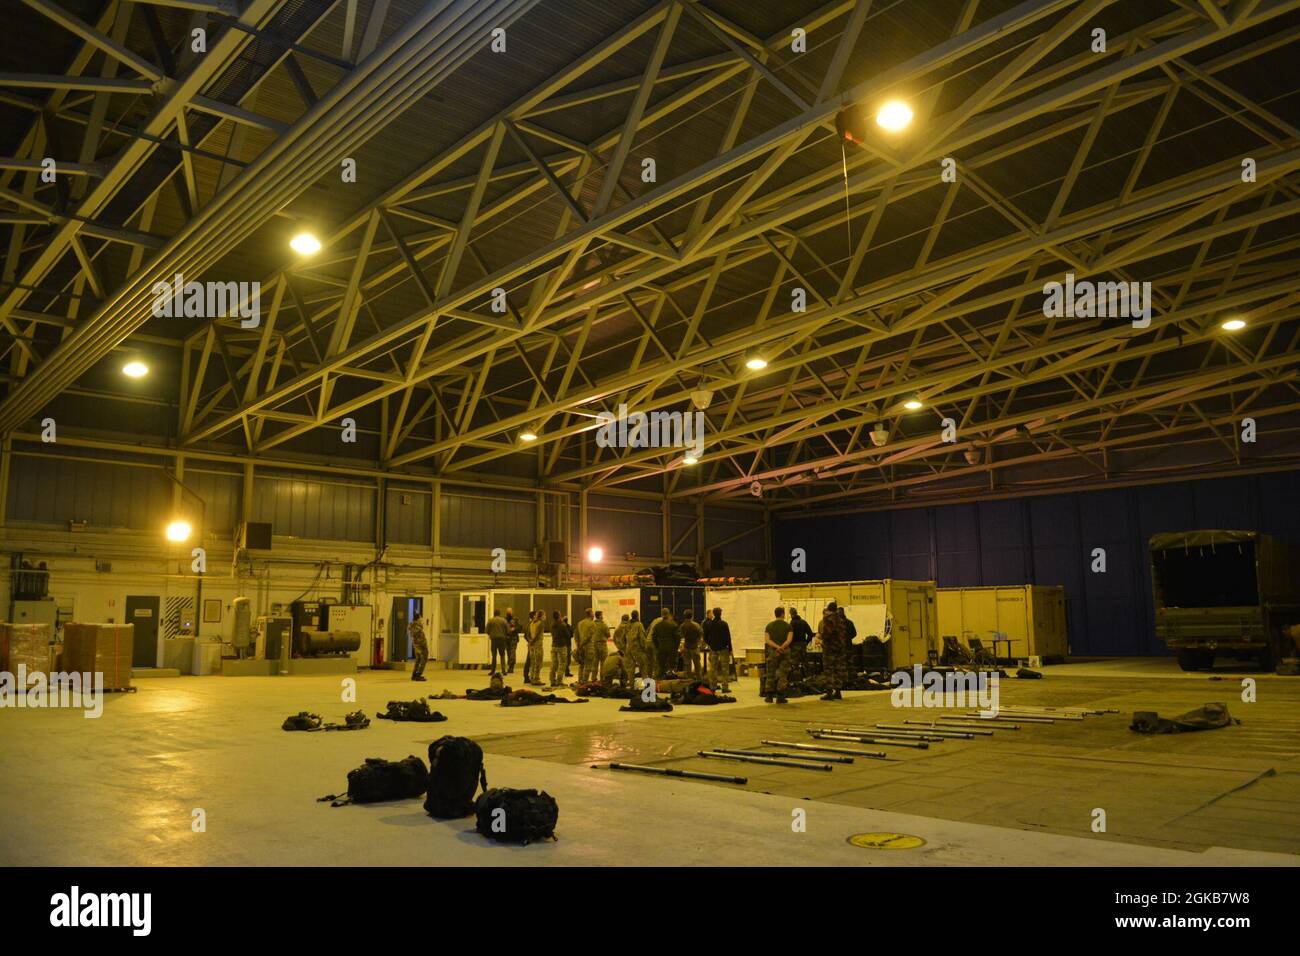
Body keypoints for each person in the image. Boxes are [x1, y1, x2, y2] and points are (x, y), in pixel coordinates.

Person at [818, 602, 848, 700]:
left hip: (829, 647)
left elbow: (827, 633)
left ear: (829, 609)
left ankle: (829, 692)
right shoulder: (841, 619)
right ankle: (838, 692)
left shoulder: (828, 619)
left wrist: (820, 637)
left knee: (829, 669)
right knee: (839, 669)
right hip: (840, 647)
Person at [763, 606, 792, 704]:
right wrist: (782, 647)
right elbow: (789, 639)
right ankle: (780, 696)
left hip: (772, 652)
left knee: (770, 673)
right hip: (784, 652)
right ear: (783, 614)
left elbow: (767, 640)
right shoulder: (788, 626)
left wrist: (776, 647)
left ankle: (769, 696)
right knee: (783, 674)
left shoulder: (769, 626)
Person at [702, 606, 732, 693]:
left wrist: (710, 644)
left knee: (713, 668)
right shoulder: (724, 624)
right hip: (723, 648)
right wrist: (730, 649)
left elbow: (705, 637)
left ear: (714, 614)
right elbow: (728, 637)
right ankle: (725, 687)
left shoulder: (709, 624)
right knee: (725, 669)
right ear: (720, 614)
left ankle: (713, 686)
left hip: (713, 648)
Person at [650, 608, 680, 679]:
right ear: (669, 614)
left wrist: (658, 646)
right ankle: (671, 683)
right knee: (672, 668)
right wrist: (675, 647)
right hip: (671, 648)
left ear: (662, 614)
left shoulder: (657, 625)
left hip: (661, 648)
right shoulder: (673, 624)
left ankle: (660, 684)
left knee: (662, 667)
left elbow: (654, 637)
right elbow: (678, 638)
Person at [624, 610, 650, 685]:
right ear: (638, 615)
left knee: (631, 669)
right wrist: (645, 648)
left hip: (629, 649)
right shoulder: (639, 625)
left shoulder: (627, 625)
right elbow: (642, 638)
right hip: (638, 649)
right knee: (643, 667)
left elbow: (624, 637)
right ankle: (646, 686)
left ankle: (631, 685)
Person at [548, 610, 573, 688]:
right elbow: (568, 635)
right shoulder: (562, 625)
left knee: (554, 664)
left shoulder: (552, 625)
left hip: (554, 646)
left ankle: (552, 680)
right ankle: (559, 681)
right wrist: (565, 624)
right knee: (562, 664)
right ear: (559, 616)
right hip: (562, 646)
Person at [789, 608, 813, 684]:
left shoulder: (791, 624)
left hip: (794, 646)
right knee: (805, 663)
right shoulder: (803, 622)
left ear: (791, 614)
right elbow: (810, 634)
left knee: (794, 664)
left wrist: (790, 645)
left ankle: (796, 681)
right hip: (802, 645)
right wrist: (806, 642)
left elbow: (790, 637)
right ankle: (808, 680)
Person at [679, 608, 703, 679]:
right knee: (697, 665)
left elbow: (681, 637)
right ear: (692, 616)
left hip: (686, 647)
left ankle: (688, 682)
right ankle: (699, 681)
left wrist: (682, 646)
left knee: (687, 665)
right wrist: (699, 644)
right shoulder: (696, 625)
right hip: (695, 647)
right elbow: (701, 635)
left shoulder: (682, 626)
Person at [525, 610, 546, 686]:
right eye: (544, 615)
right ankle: (536, 679)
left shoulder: (531, 623)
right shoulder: (540, 623)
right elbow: (537, 635)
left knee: (533, 662)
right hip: (537, 645)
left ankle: (532, 677)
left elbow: (527, 634)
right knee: (539, 662)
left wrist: (530, 641)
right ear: (541, 615)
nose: (545, 617)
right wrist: (532, 641)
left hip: (531, 645)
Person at [588, 610, 610, 682]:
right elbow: (608, 635)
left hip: (593, 644)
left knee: (595, 663)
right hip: (602, 645)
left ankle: (593, 678)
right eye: (602, 615)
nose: (602, 616)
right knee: (603, 662)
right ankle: (602, 678)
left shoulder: (592, 624)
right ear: (600, 616)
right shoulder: (603, 625)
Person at [486, 609, 510, 674]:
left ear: (494, 614)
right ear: (499, 614)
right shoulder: (503, 620)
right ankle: (503, 670)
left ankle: (492, 670)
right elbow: (508, 630)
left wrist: (491, 634)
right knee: (502, 655)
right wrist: (505, 635)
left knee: (494, 655)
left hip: (494, 640)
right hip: (502, 639)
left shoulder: (491, 620)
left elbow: (487, 630)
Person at [575, 608, 595, 681]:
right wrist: (582, 644)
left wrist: (578, 645)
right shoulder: (592, 623)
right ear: (590, 614)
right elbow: (589, 636)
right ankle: (584, 682)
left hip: (581, 647)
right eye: (593, 613)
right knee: (588, 665)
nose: (594, 615)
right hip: (589, 646)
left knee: (581, 664)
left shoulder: (580, 623)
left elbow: (576, 635)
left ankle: (580, 680)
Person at [409, 614, 428, 682]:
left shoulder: (412, 626)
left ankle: (414, 675)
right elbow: (419, 635)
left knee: (418, 659)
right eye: (420, 618)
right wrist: (423, 643)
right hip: (421, 645)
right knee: (424, 659)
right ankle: (418, 675)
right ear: (417, 619)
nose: (421, 619)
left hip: (416, 645)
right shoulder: (417, 626)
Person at [504, 607, 521, 674]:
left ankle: (511, 667)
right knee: (508, 653)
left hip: (513, 639)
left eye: (509, 612)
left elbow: (519, 628)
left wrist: (514, 629)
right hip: (507, 639)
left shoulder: (515, 619)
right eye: (508, 612)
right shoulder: (504, 620)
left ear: (512, 612)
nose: (509, 613)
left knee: (512, 653)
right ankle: (509, 666)